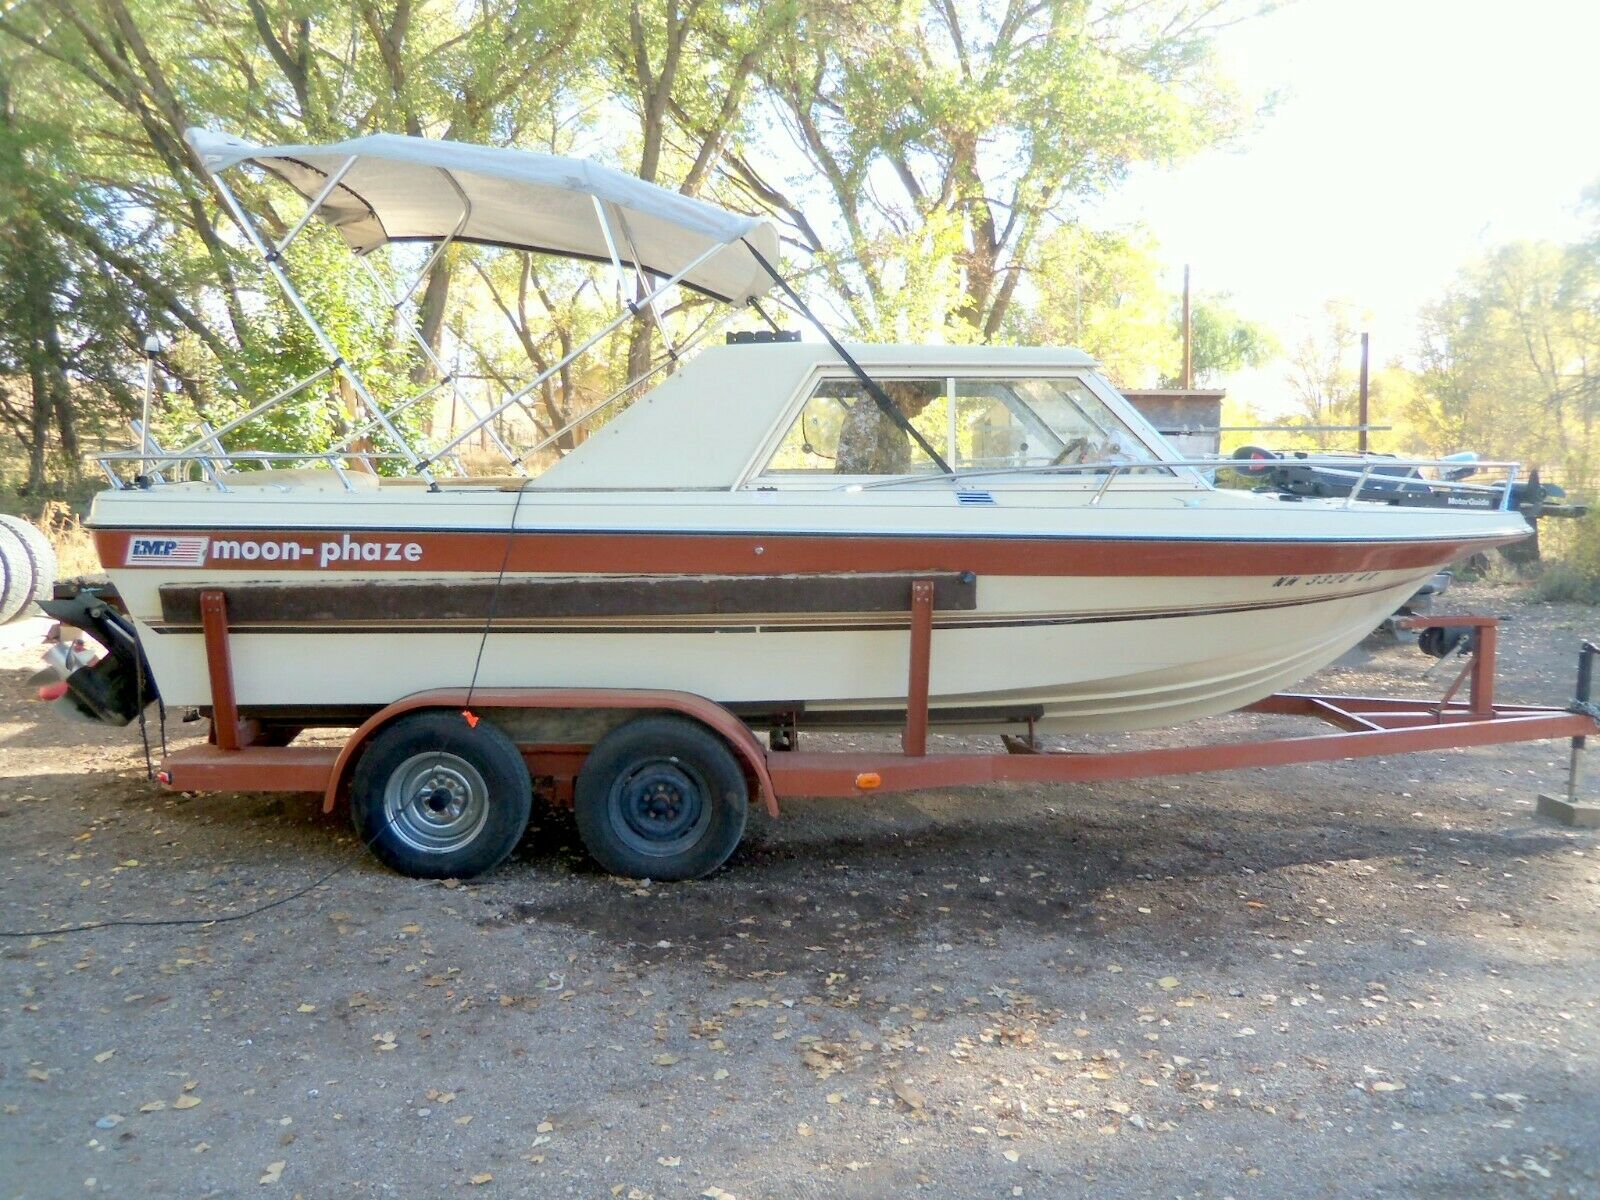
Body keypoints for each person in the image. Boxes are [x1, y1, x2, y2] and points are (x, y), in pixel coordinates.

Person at [834, 381, 938, 475]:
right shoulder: (867, 417)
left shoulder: (890, 416)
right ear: (893, 387)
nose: (918, 412)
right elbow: (853, 476)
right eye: (914, 401)